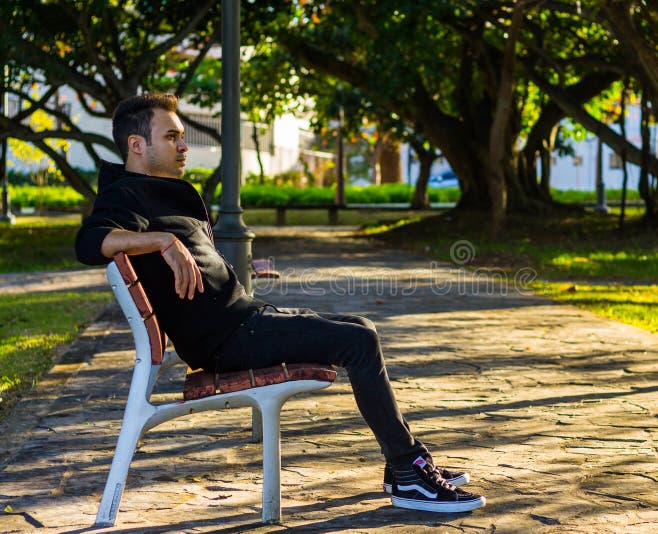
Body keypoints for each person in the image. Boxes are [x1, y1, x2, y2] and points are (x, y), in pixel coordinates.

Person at [75, 93, 486, 513]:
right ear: (136, 144)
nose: (183, 146)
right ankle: (408, 473)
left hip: (245, 319)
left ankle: (404, 462)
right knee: (358, 344)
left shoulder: (158, 191)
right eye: (171, 137)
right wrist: (164, 240)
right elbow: (89, 242)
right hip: (228, 339)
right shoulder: (124, 196)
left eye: (181, 136)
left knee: (362, 328)